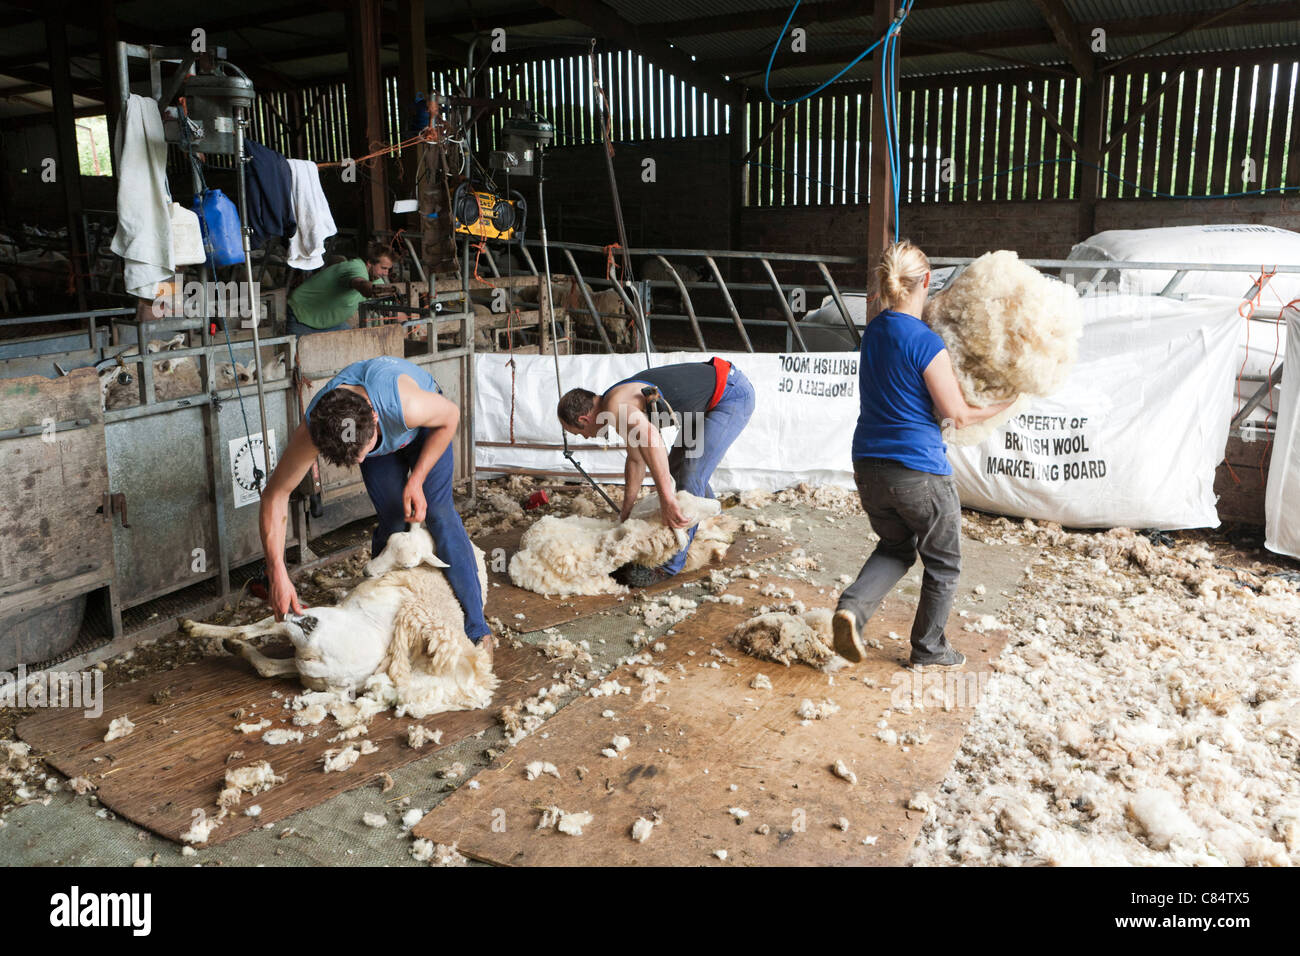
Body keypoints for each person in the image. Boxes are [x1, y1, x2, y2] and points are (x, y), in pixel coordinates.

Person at [833, 241, 1014, 668]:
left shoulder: (874, 332)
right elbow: (958, 415)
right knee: (944, 563)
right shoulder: (925, 342)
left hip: (868, 466)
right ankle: (928, 649)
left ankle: (852, 610)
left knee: (896, 546)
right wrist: (1008, 400)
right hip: (918, 470)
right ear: (927, 281)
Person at [257, 355, 492, 655]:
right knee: (393, 518)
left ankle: (477, 629)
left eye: (362, 452)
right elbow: (275, 495)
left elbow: (451, 417)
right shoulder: (317, 428)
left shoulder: (408, 405)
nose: (358, 462)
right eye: (353, 459)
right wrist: (276, 570)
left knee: (438, 512)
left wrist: (417, 479)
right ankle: (384, 623)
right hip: (379, 442)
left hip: (425, 430)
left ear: (375, 419)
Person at [557, 357, 755, 586]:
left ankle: (669, 565)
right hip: (704, 402)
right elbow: (635, 461)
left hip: (730, 395)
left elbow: (652, 438)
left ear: (584, 418)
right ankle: (710, 524)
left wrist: (667, 499)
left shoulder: (615, 406)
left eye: (580, 433)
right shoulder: (615, 402)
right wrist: (626, 513)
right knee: (675, 472)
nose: (586, 437)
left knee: (689, 477)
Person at [286, 242, 394, 336]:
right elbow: (360, 284)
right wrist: (372, 291)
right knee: (300, 357)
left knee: (353, 347)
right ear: (370, 263)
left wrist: (408, 318)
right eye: (383, 268)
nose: (386, 273)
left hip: (330, 322)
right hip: (302, 315)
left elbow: (390, 309)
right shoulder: (356, 267)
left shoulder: (376, 280)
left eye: (388, 269)